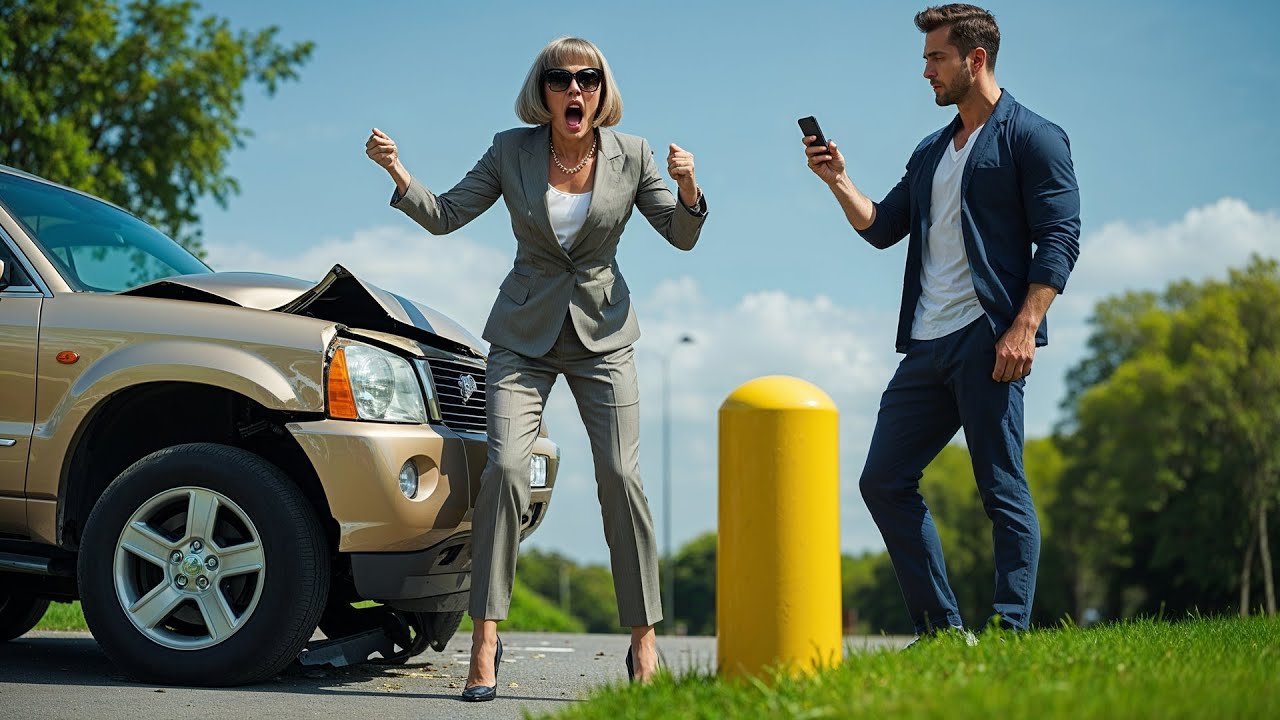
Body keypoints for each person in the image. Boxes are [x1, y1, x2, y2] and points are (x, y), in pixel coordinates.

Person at [366, 37, 706, 700]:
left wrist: (690, 186)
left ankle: (643, 642)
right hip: (522, 334)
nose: (574, 89)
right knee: (508, 472)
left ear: (602, 92)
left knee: (619, 476)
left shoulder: (633, 155)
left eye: (587, 79)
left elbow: (682, 233)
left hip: (604, 334)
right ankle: (486, 641)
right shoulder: (510, 150)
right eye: (561, 79)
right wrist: (399, 174)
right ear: (543, 91)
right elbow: (448, 215)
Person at [802, 4, 1080, 640]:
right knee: (884, 481)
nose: (925, 70)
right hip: (926, 347)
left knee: (1000, 486)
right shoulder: (931, 151)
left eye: (936, 57)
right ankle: (942, 631)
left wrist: (1023, 325)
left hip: (989, 339)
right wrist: (837, 179)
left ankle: (1009, 632)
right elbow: (881, 227)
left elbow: (1060, 235)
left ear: (974, 60)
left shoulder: (1032, 137)